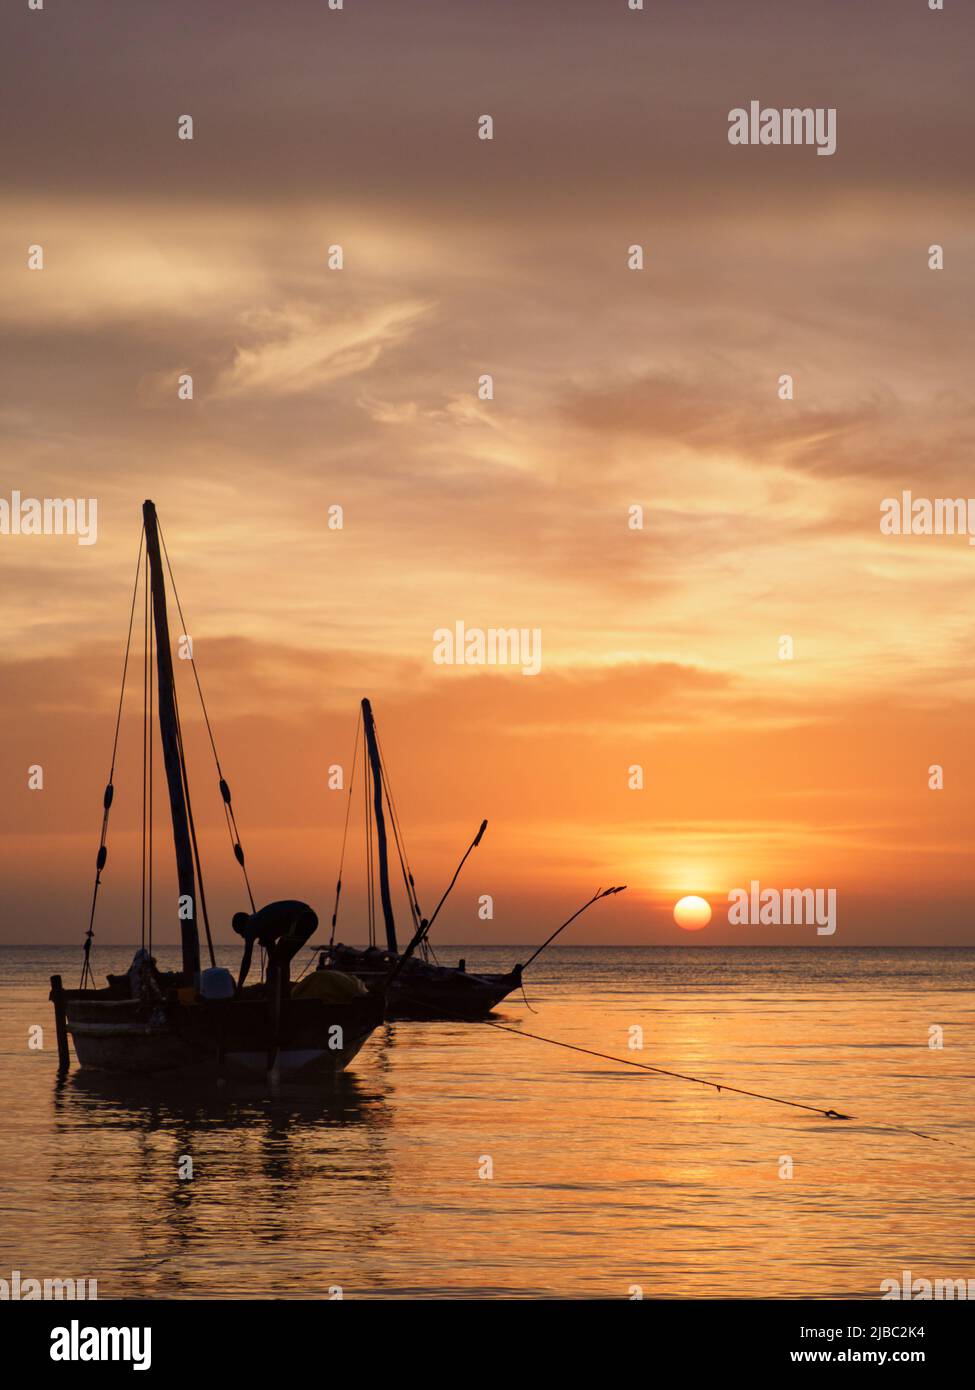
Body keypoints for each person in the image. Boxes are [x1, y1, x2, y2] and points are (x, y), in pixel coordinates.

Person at [232, 900, 319, 991]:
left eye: (241, 933)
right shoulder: (262, 922)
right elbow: (272, 955)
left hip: (302, 918)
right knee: (281, 959)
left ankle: (283, 993)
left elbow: (247, 959)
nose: (243, 936)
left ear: (243, 926)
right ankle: (282, 990)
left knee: (280, 960)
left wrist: (239, 986)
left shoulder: (250, 925)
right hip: (310, 917)